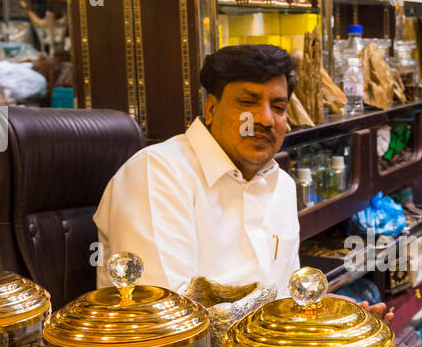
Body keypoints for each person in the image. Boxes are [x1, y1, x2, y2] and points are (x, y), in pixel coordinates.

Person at [94, 44, 304, 297]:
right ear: (211, 109)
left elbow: (283, 297)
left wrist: (322, 313)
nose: (266, 120)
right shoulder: (157, 173)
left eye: (279, 107)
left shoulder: (281, 185)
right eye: (248, 103)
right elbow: (166, 310)